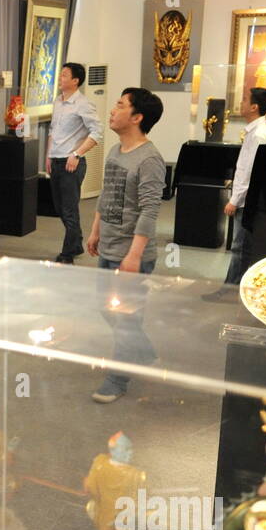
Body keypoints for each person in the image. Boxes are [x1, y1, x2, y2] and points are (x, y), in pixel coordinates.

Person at [86, 87, 166, 404]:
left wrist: (134, 256)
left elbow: (149, 210)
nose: (112, 110)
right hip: (108, 246)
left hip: (132, 256)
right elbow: (107, 196)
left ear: (137, 117)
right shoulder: (116, 151)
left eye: (120, 105)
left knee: (127, 319)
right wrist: (95, 232)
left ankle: (117, 379)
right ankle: (144, 352)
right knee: (106, 309)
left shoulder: (151, 159)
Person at [46, 62, 102, 263]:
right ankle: (76, 242)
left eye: (64, 75)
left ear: (75, 81)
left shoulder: (83, 104)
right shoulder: (58, 102)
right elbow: (53, 131)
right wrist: (48, 155)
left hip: (72, 163)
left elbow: (97, 132)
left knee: (69, 209)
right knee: (59, 207)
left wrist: (77, 154)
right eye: (60, 75)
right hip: (56, 160)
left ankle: (67, 253)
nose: (60, 78)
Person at [221, 86, 266, 286]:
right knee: (241, 246)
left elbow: (250, 171)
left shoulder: (259, 134)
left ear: (254, 107)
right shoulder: (258, 131)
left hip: (247, 202)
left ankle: (231, 288)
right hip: (249, 199)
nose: (241, 103)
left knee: (240, 247)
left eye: (245, 100)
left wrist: (235, 200)